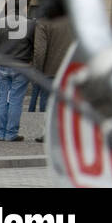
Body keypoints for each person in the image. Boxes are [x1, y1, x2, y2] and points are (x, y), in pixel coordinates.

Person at [29, 14, 75, 142]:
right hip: (69, 70)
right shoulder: (75, 20)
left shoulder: (44, 21)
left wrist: (37, 71)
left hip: (50, 71)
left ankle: (48, 132)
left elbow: (39, 51)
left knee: (48, 103)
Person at [0, 7, 33, 141]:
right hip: (21, 64)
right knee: (16, 99)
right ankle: (11, 133)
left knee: (2, 99)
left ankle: (0, 132)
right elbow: (33, 44)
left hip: (2, 64)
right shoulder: (29, 24)